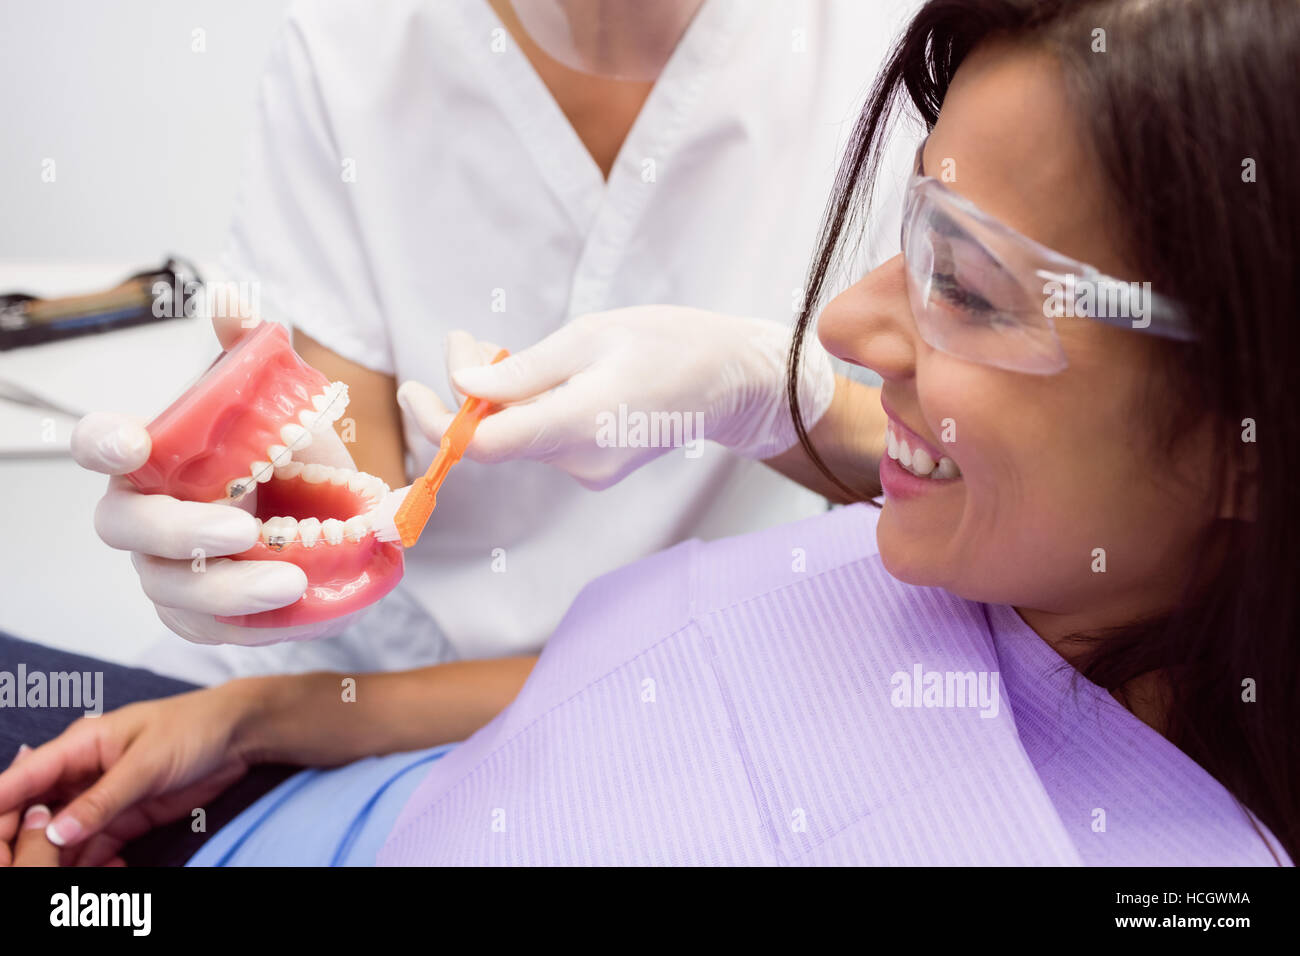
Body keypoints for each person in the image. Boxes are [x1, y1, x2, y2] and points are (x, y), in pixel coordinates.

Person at [4, 0, 1296, 866]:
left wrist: (763, 389)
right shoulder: (954, 565)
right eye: (904, 240)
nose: (844, 320)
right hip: (348, 742)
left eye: (964, 279)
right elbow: (574, 643)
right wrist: (269, 643)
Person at [70, 0, 912, 682]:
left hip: (704, 685)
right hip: (356, 676)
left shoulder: (897, 51)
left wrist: (777, 400)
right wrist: (257, 509)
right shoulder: (353, 48)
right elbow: (360, 499)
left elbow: (991, 482)